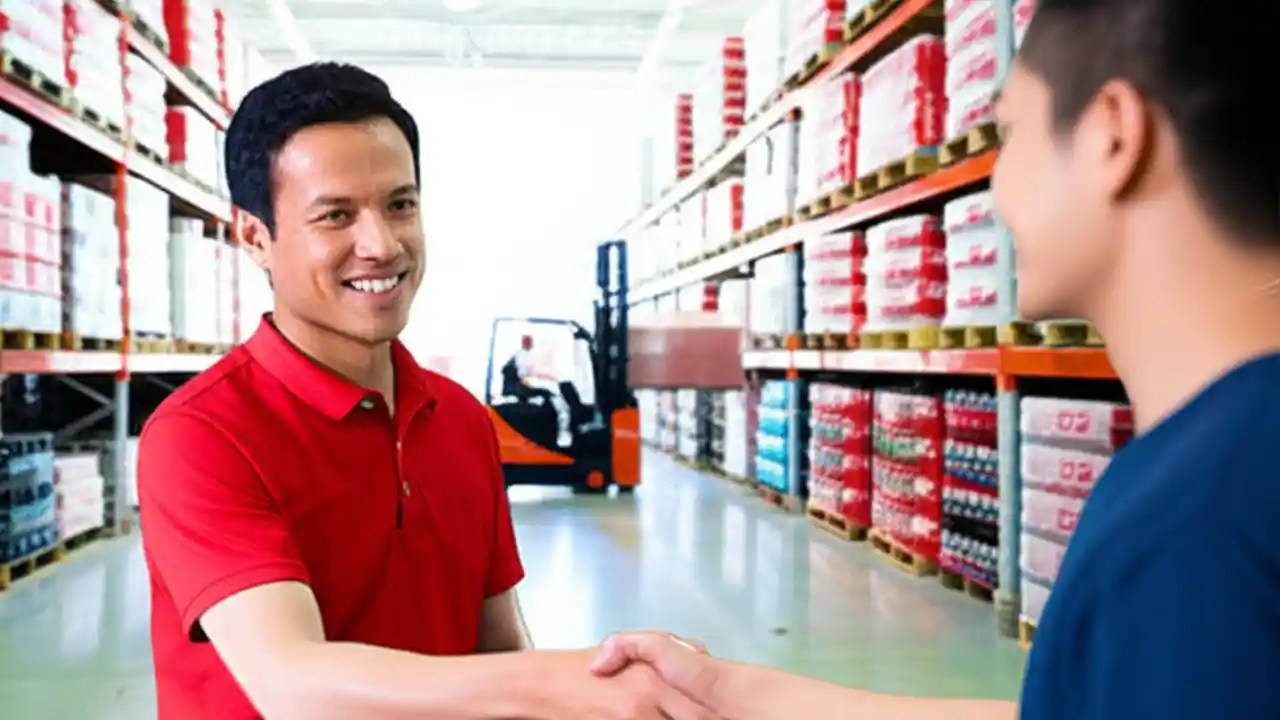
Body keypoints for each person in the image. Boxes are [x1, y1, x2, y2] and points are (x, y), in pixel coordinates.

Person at [590, 0, 1280, 717]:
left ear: (1113, 135)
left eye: (1010, 132)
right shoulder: (1223, 465)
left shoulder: (1194, 530)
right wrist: (735, 693)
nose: (997, 183)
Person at [136, 62, 712, 720]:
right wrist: (569, 683)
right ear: (254, 236)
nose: (381, 244)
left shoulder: (459, 418)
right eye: (335, 216)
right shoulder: (203, 436)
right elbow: (293, 684)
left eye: (400, 205)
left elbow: (499, 649)